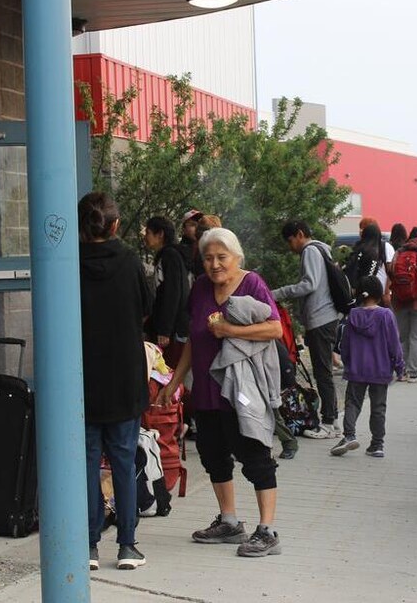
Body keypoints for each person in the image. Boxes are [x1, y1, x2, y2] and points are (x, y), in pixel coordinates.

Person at [157, 227, 284, 557]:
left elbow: (275, 328)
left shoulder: (252, 283)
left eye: (221, 257)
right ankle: (229, 522)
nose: (214, 264)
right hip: (206, 390)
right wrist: (174, 382)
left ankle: (267, 530)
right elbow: (194, 340)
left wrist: (229, 329)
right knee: (214, 456)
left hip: (242, 390)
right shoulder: (199, 287)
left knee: (255, 456)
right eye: (208, 258)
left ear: (236, 256)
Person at [79, 192, 150, 571]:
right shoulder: (130, 261)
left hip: (83, 378)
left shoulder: (69, 263)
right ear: (115, 225)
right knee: (123, 460)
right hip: (124, 376)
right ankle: (127, 545)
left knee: (88, 462)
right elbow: (147, 307)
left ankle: (89, 544)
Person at [271, 221, 343, 439]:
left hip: (321, 317)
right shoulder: (321, 249)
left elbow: (309, 284)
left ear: (299, 234)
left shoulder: (310, 251)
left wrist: (278, 293)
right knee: (324, 371)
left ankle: (329, 423)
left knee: (323, 373)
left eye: (290, 241)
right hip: (326, 316)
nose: (290, 247)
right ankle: (333, 422)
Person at [334, 276, 403, 458]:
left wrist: (347, 363)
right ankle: (377, 444)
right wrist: (399, 366)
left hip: (357, 369)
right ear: (380, 293)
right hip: (380, 369)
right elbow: (394, 343)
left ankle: (349, 435)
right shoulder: (386, 315)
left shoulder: (352, 315)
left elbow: (345, 345)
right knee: (378, 407)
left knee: (353, 403)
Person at [144, 215, 191, 369]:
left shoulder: (170, 256)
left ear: (160, 234)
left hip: (171, 331)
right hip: (165, 328)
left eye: (148, 232)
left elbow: (172, 293)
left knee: (167, 373)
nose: (145, 237)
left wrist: (165, 330)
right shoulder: (165, 256)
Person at [389, 226, 417, 383]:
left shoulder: (399, 252)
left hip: (399, 300)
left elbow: (392, 271)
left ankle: (401, 372)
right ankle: (413, 373)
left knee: (402, 337)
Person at [345, 222, 387, 298]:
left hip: (348, 287)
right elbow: (370, 273)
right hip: (363, 291)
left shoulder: (357, 247)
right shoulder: (373, 252)